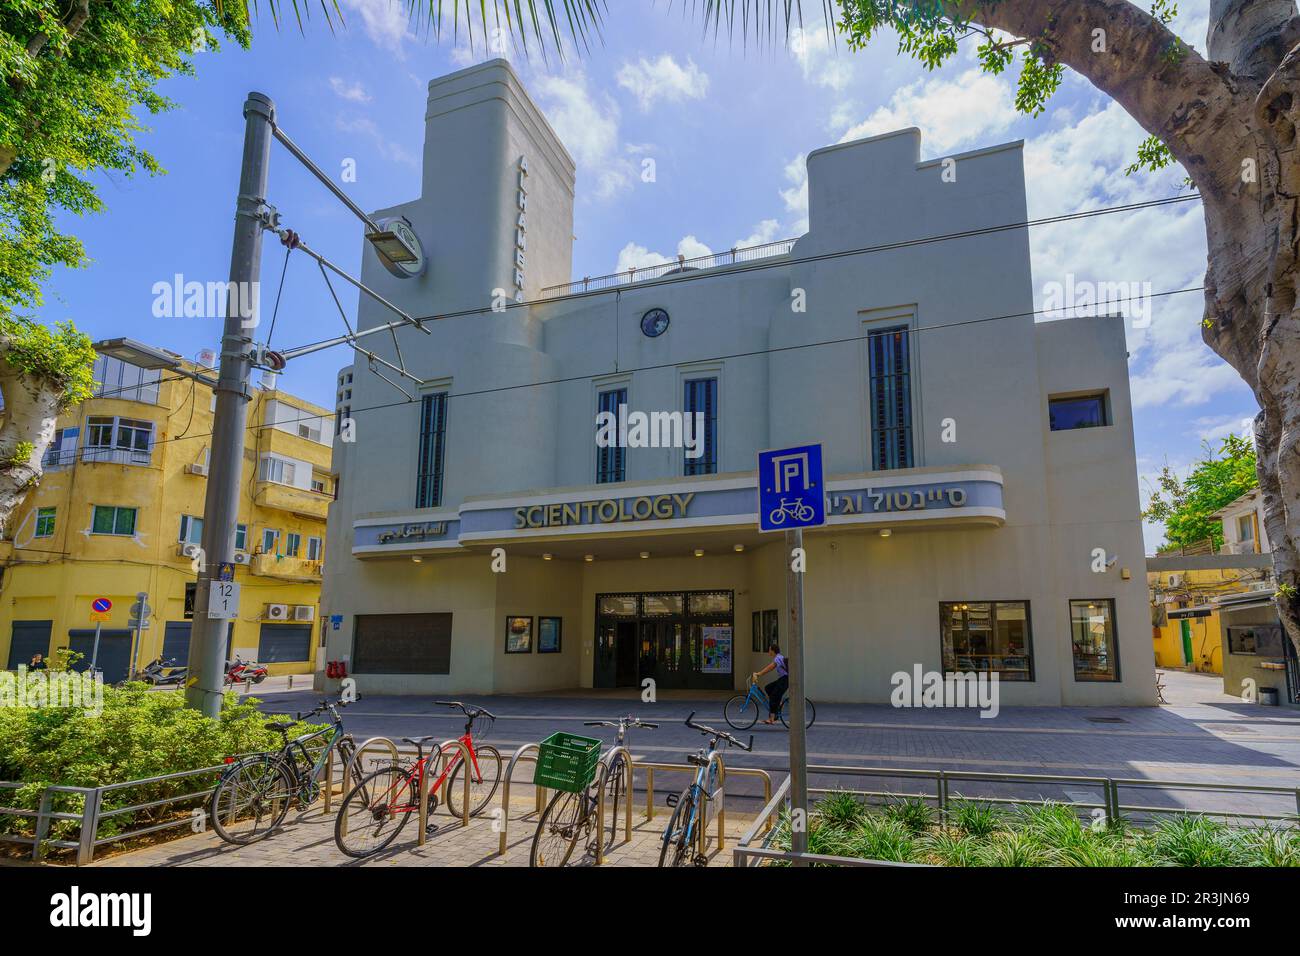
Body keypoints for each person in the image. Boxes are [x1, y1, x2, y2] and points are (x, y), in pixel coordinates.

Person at [752, 643, 789, 726]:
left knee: (773, 697)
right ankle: (777, 703)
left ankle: (771, 718)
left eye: (769, 650)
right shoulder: (779, 657)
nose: (768, 651)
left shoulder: (778, 658)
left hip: (785, 680)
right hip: (783, 679)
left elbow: (770, 667)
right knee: (768, 688)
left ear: (773, 651)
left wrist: (759, 674)